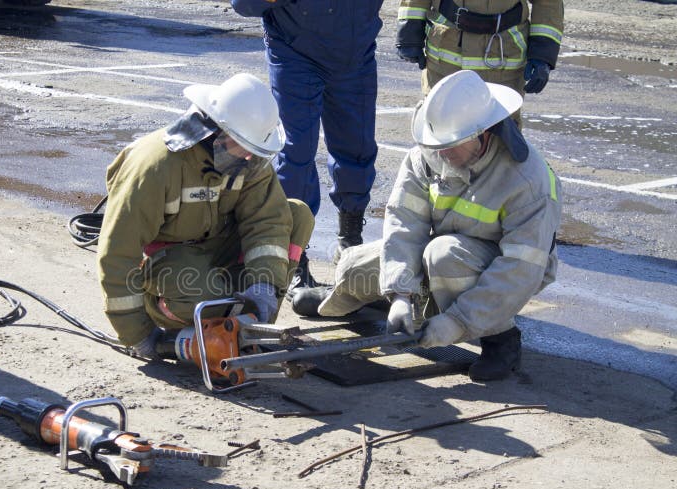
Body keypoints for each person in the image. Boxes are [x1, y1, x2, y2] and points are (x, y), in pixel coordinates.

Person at [291, 70, 562, 381]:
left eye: (450, 144)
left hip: (503, 266)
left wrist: (458, 323)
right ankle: (354, 301)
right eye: (436, 143)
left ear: (482, 133)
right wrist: (399, 296)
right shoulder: (430, 155)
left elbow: (519, 268)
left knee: (442, 255)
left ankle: (500, 338)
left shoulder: (527, 180)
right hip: (441, 243)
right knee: (355, 266)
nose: (440, 152)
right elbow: (404, 224)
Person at [97, 73, 314, 359]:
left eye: (255, 151)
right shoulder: (153, 166)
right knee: (199, 293)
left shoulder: (246, 160)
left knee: (296, 214)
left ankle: (246, 325)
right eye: (244, 148)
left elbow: (268, 221)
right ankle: (178, 316)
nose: (250, 159)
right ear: (214, 133)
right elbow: (117, 253)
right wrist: (137, 335)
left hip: (215, 251)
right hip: (170, 263)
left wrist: (263, 285)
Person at [230, 0, 384, 296]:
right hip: (295, 53)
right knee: (296, 153)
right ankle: (294, 258)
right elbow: (243, 4)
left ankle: (350, 239)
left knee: (357, 147)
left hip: (354, 53)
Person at [396, 0, 564, 98]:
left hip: (503, 64)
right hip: (446, 60)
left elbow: (548, 3)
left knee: (500, 144)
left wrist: (542, 54)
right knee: (442, 138)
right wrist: (409, 28)